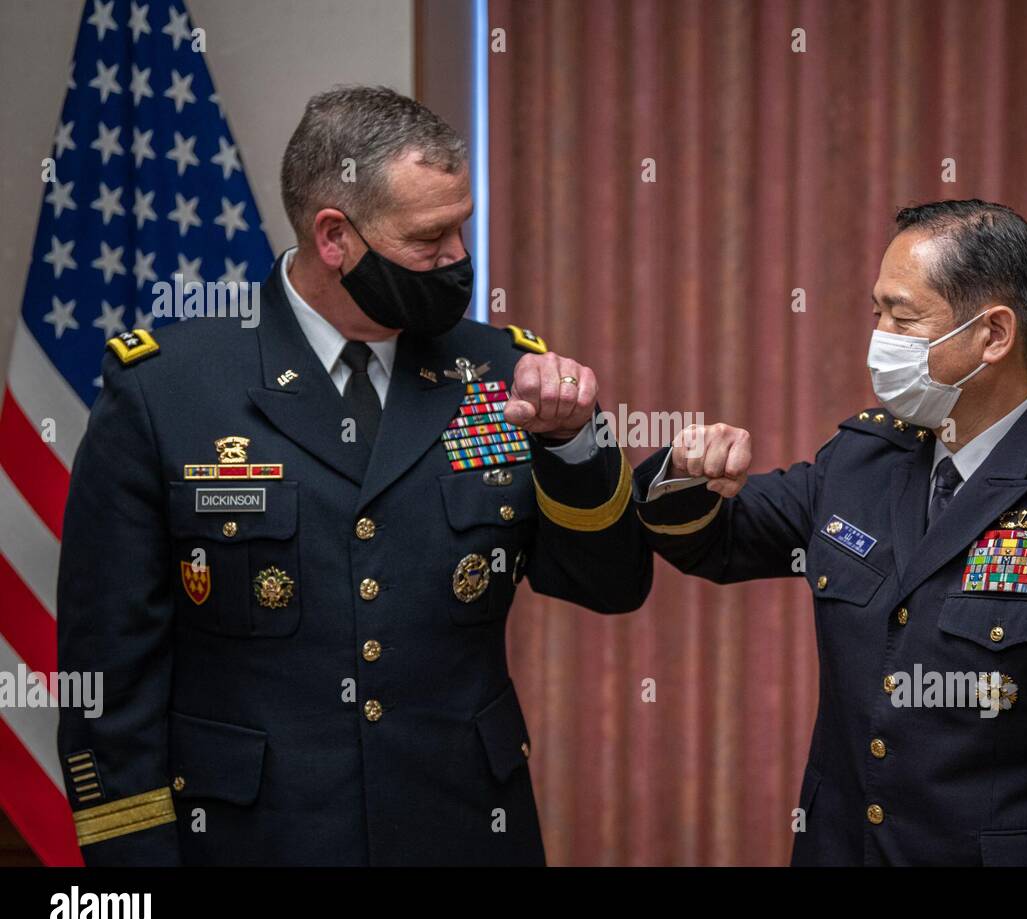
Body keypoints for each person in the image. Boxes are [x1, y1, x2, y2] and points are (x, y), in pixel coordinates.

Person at [57, 86, 651, 865]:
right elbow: (108, 679)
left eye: (461, 229)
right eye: (429, 237)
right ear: (333, 236)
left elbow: (611, 587)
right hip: (252, 839)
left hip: (463, 829)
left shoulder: (501, 374)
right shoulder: (168, 390)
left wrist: (574, 444)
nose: (458, 260)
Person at [633, 199, 1027, 866]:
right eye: (878, 312)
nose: (880, 336)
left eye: (903, 315)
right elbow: (714, 542)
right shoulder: (862, 459)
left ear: (994, 335)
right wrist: (685, 471)